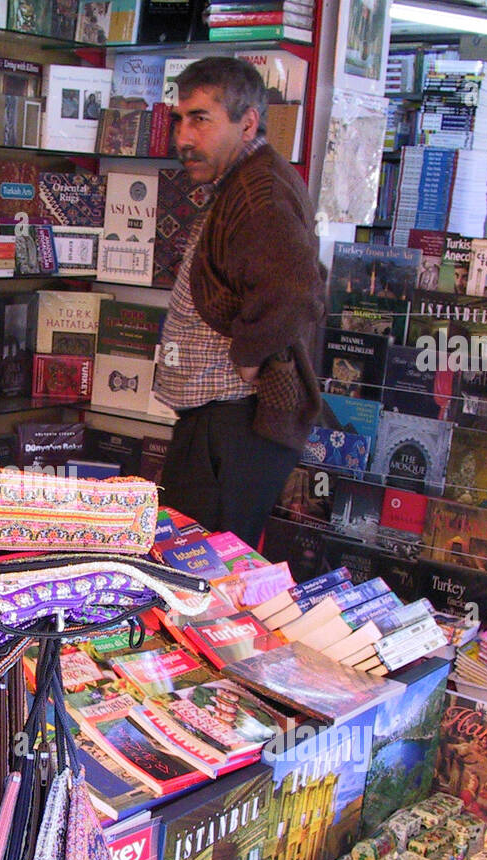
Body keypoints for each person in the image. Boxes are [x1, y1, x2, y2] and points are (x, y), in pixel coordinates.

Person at [153, 57, 323, 546]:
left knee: (204, 568)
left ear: (247, 121)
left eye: (201, 119)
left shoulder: (261, 190)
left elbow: (295, 292)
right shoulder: (244, 181)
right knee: (196, 563)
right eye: (179, 120)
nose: (183, 138)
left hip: (233, 421)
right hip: (219, 420)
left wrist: (250, 356)